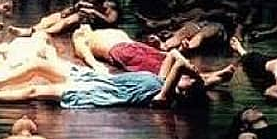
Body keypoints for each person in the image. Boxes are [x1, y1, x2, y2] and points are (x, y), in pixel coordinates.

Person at [0, 52, 220, 109]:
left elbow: (182, 64)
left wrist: (195, 75)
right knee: (37, 63)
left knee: (36, 90)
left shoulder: (162, 97)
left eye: (186, 85)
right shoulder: (160, 80)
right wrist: (205, 80)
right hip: (99, 79)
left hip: (96, 92)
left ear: (182, 92)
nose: (183, 81)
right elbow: (174, 55)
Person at [71, 24, 236, 88]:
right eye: (80, 25)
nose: (82, 24)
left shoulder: (103, 30)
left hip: (135, 47)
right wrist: (96, 66)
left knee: (168, 59)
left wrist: (155, 47)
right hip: (122, 51)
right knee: (159, 70)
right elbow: (82, 52)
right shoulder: (81, 36)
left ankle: (204, 76)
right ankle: (203, 81)